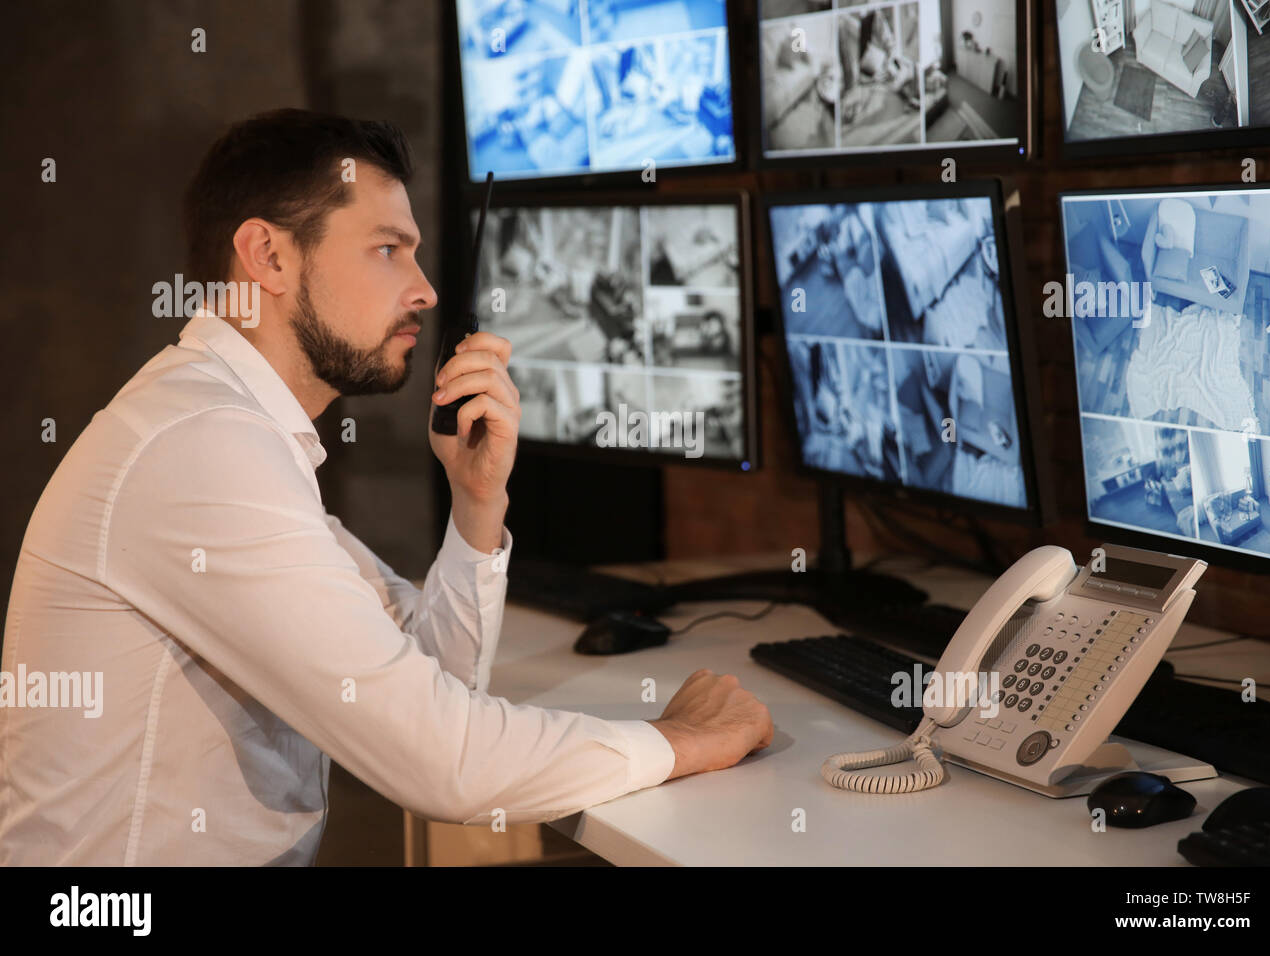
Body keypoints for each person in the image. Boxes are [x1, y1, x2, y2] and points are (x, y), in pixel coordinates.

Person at [0, 109, 772, 865]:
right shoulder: (202, 448)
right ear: (266, 257)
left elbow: (429, 688)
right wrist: (680, 741)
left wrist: (475, 505)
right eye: (388, 250)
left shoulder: (231, 431)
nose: (426, 290)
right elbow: (441, 762)